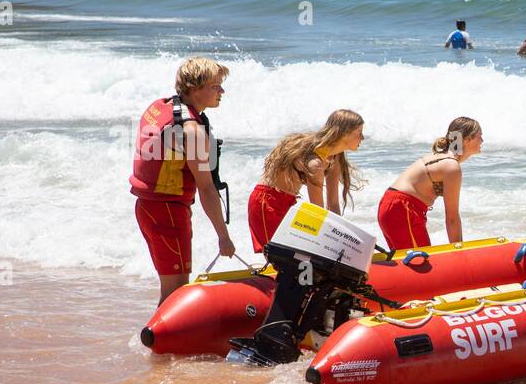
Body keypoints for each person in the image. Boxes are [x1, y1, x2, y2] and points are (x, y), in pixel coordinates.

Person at [130, 57, 234, 305]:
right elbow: (207, 188)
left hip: (147, 207)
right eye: (215, 86)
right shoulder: (192, 131)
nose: (222, 91)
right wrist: (223, 237)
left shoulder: (161, 106)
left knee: (172, 290)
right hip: (167, 211)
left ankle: (160, 342)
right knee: (175, 293)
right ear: (194, 88)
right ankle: (157, 344)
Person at [247, 110, 366, 254]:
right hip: (267, 202)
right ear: (344, 133)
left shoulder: (334, 156)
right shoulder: (316, 163)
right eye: (359, 132)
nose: (363, 137)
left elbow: (333, 205)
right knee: (277, 256)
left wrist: (339, 238)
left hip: (289, 202)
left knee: (292, 256)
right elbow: (318, 212)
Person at [377, 117, 482, 250]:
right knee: (420, 263)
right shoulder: (451, 166)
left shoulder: (444, 158)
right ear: (467, 140)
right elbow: (452, 218)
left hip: (394, 206)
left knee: (411, 262)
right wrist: (459, 253)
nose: (482, 141)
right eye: (480, 136)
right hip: (402, 209)